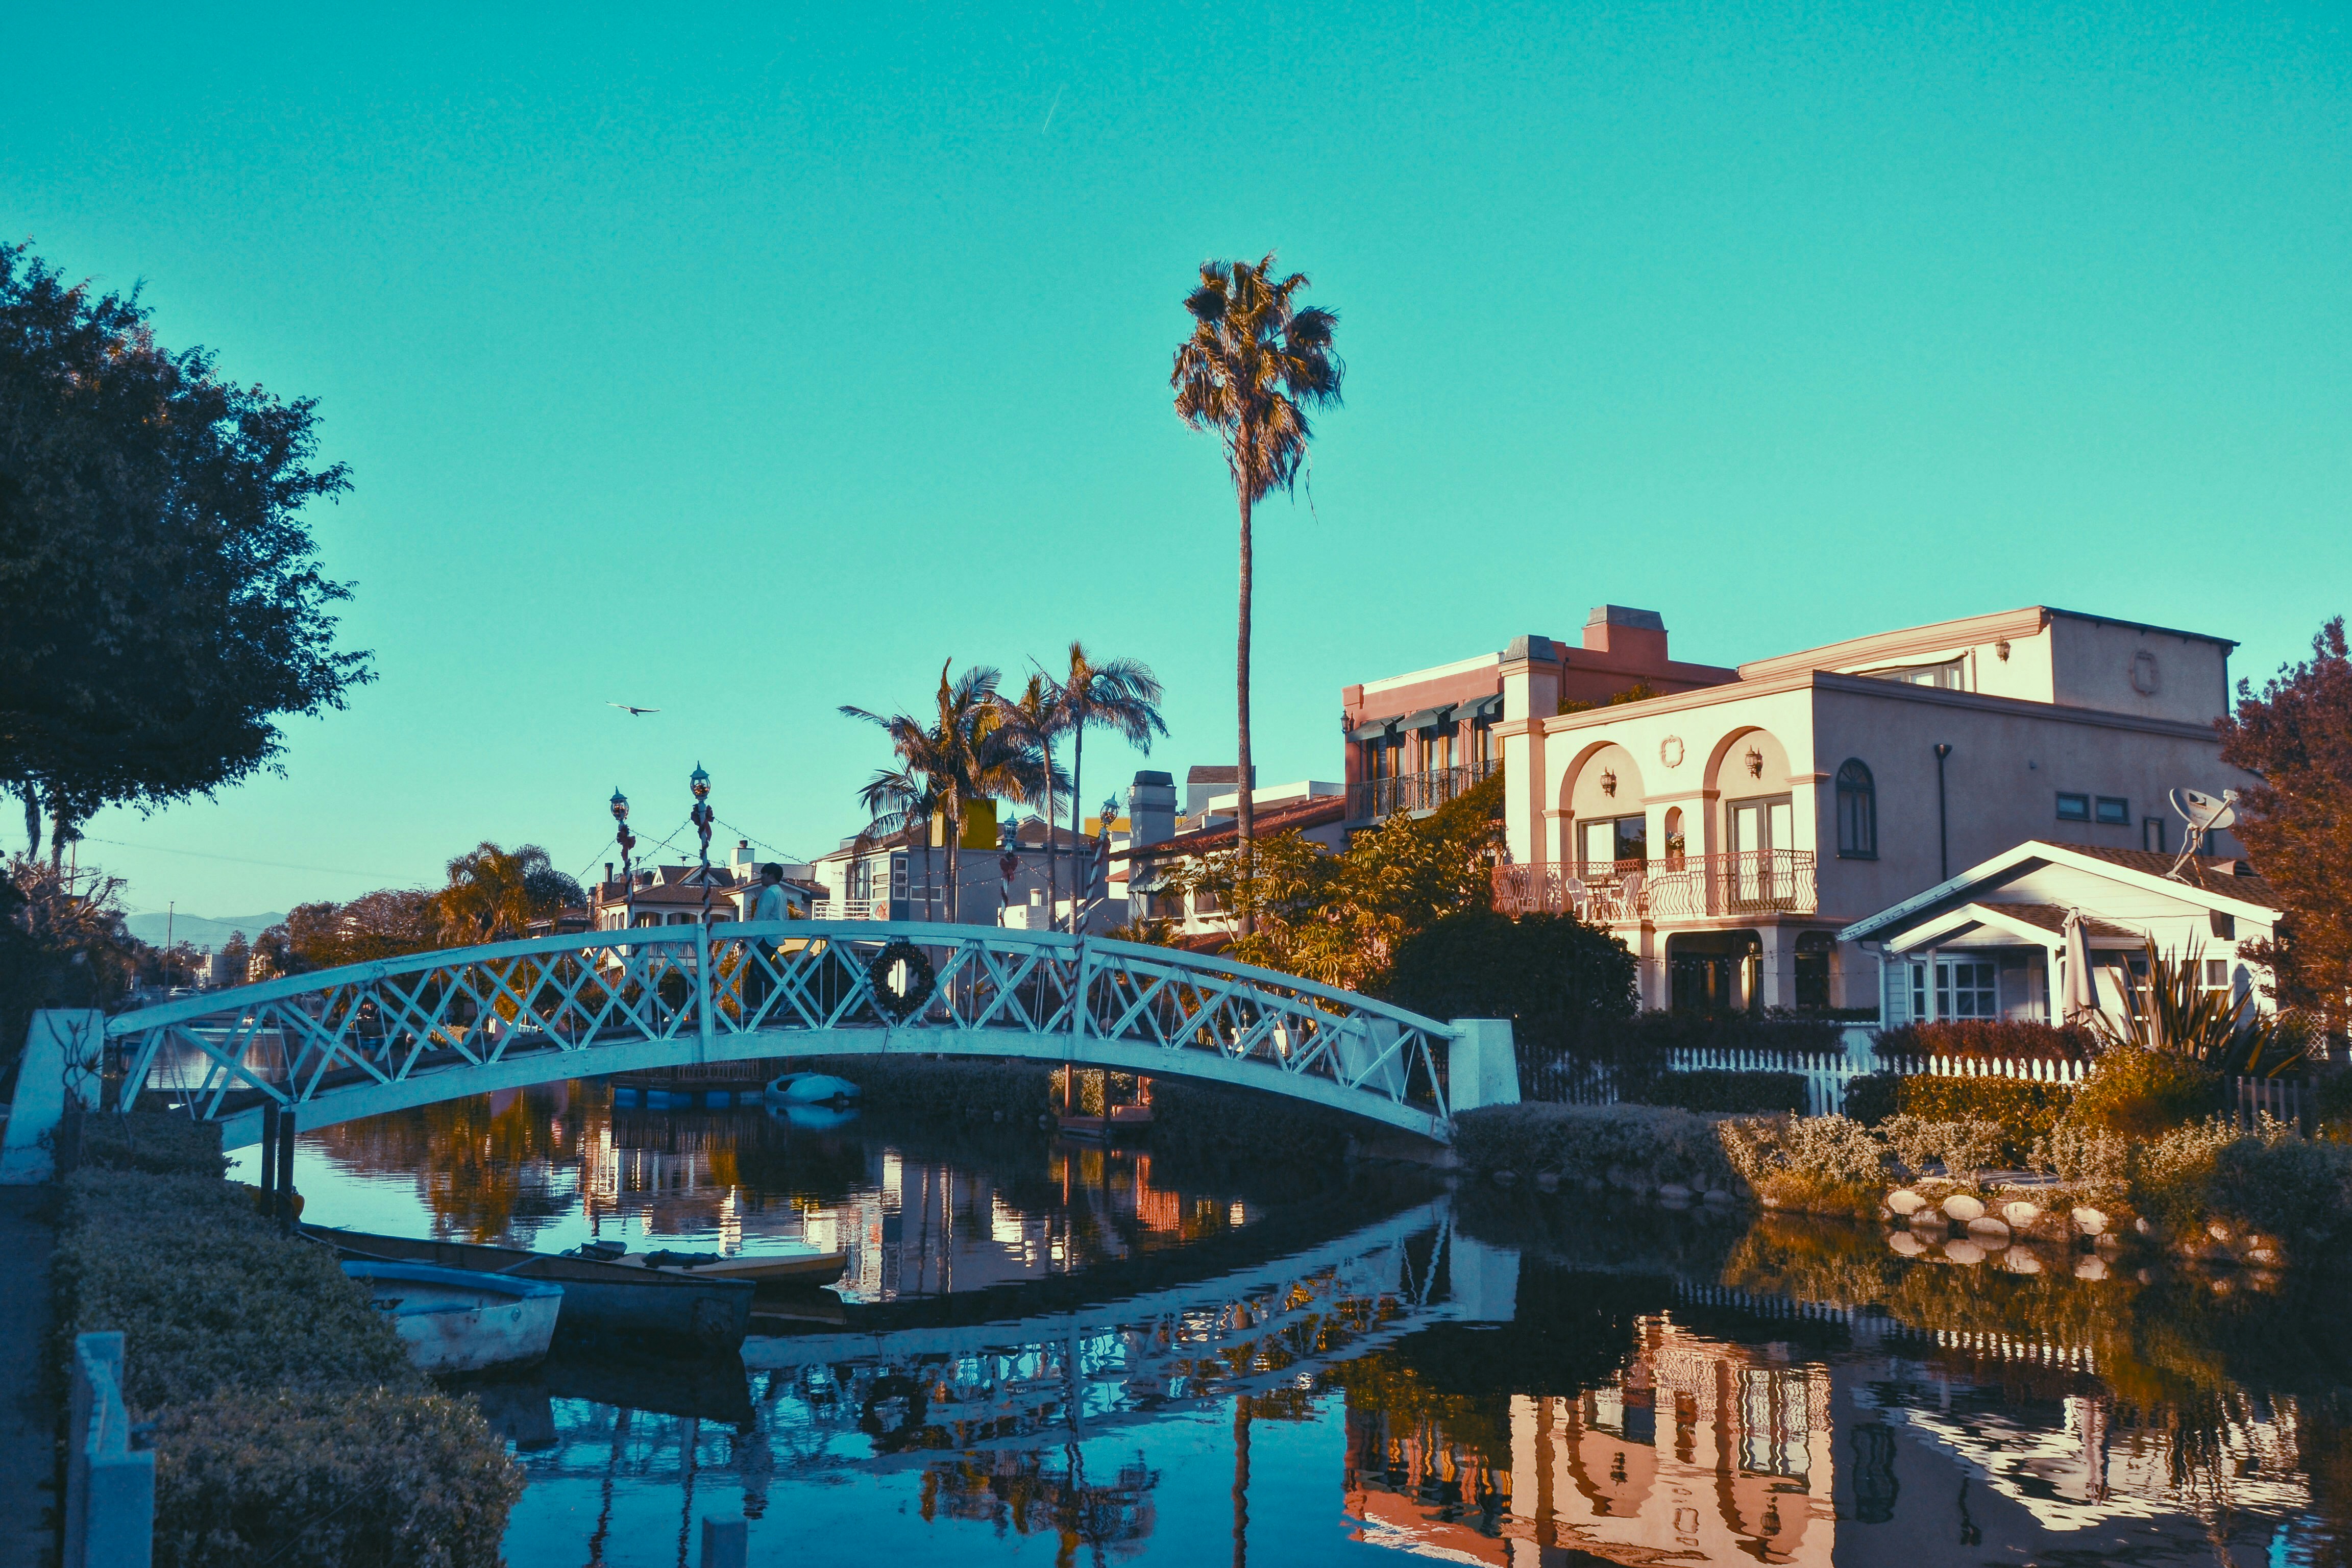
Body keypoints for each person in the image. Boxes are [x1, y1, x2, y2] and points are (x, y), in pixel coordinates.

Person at [743, 864, 787, 1013]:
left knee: (758, 971)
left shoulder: (769, 893)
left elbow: (761, 917)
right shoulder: (781, 893)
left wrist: (749, 936)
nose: (761, 877)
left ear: (772, 876)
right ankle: (759, 1004)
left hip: (766, 937)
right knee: (758, 970)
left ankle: (783, 996)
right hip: (775, 937)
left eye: (764, 874)